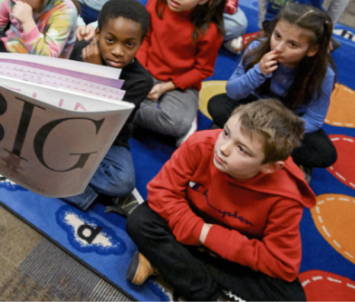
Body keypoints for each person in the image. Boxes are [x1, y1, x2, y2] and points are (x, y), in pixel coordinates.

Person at [126, 99, 314, 302]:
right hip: (191, 223)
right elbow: (161, 192)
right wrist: (197, 229)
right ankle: (213, 296)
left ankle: (166, 262)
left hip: (234, 246)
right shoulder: (200, 144)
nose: (223, 148)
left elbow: (283, 264)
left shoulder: (286, 197)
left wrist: (208, 235)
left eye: (242, 149)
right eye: (226, 132)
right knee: (141, 220)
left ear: (269, 167)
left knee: (292, 298)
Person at [207, 3, 337, 174]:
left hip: (289, 119)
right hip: (255, 109)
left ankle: (249, 144)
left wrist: (277, 129)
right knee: (218, 104)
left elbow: (314, 118)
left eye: (293, 45)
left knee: (324, 153)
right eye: (277, 36)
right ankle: (269, 152)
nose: (279, 47)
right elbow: (232, 91)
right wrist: (258, 72)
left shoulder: (323, 74)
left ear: (312, 50)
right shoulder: (257, 48)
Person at [64, 0, 153, 211]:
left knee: (122, 182)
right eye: (110, 40)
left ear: (140, 43)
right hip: (68, 124)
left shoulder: (141, 80)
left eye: (129, 44)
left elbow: (106, 119)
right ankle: (73, 185)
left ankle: (61, 176)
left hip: (107, 137)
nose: (118, 51)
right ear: (97, 35)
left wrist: (98, 75)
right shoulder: (77, 51)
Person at [134, 0, 229, 144]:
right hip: (145, 69)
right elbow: (144, 39)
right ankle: (133, 108)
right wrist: (142, 75)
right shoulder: (157, 2)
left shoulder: (209, 31)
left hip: (179, 85)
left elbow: (203, 70)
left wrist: (165, 87)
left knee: (174, 123)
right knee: (110, 76)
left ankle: (129, 110)